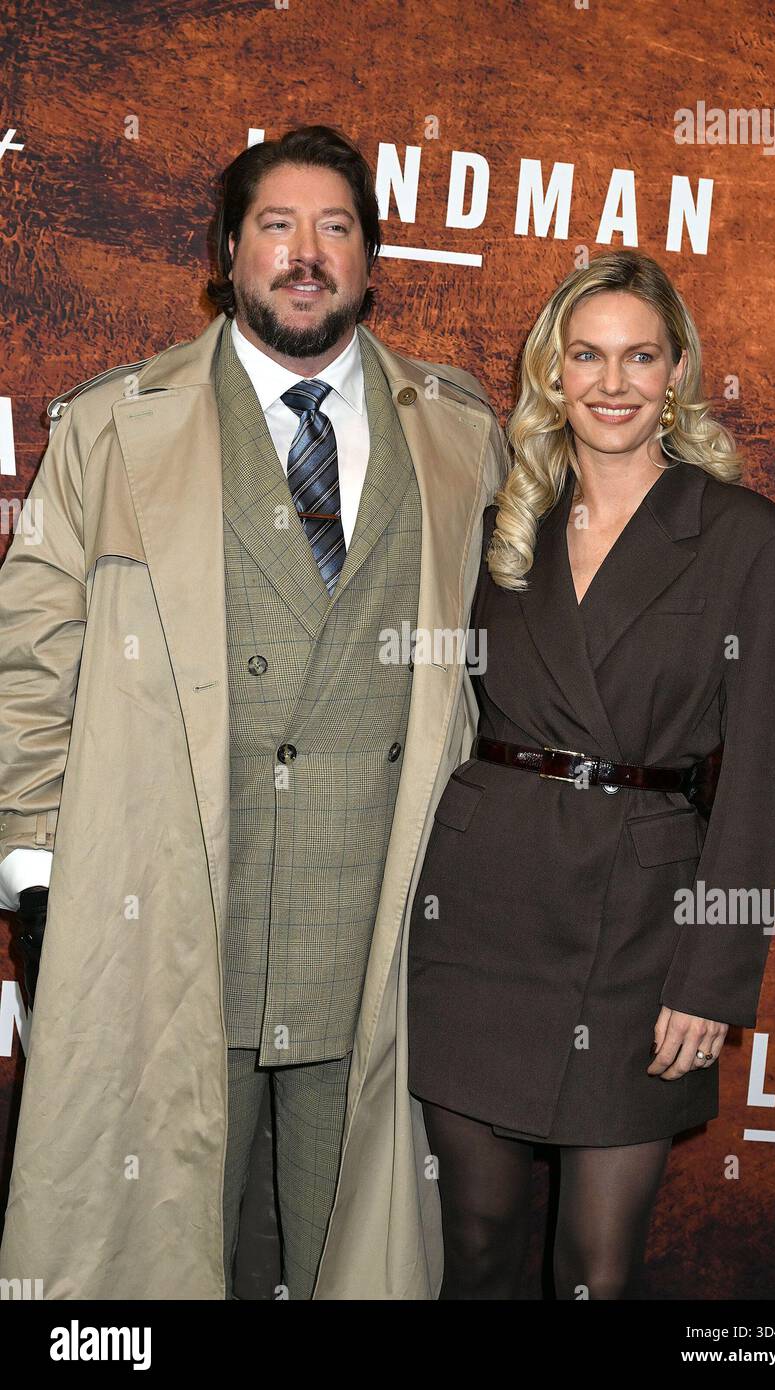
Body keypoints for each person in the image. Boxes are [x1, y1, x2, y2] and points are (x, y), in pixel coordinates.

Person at [0, 124, 507, 1299]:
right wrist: (36, 866)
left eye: (335, 228)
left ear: (372, 262)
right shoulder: (114, 427)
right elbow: (31, 654)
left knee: (359, 1251)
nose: (304, 253)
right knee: (152, 1252)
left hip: (375, 930)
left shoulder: (460, 432)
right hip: (171, 913)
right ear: (227, 255)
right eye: (275, 226)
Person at [406, 249, 775, 1300]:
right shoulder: (504, 522)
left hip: (641, 928)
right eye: (584, 356)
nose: (612, 382)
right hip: (483, 914)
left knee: (594, 1268)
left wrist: (712, 976)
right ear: (551, 373)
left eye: (639, 356)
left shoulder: (749, 543)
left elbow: (760, 779)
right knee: (479, 1242)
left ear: (677, 371)